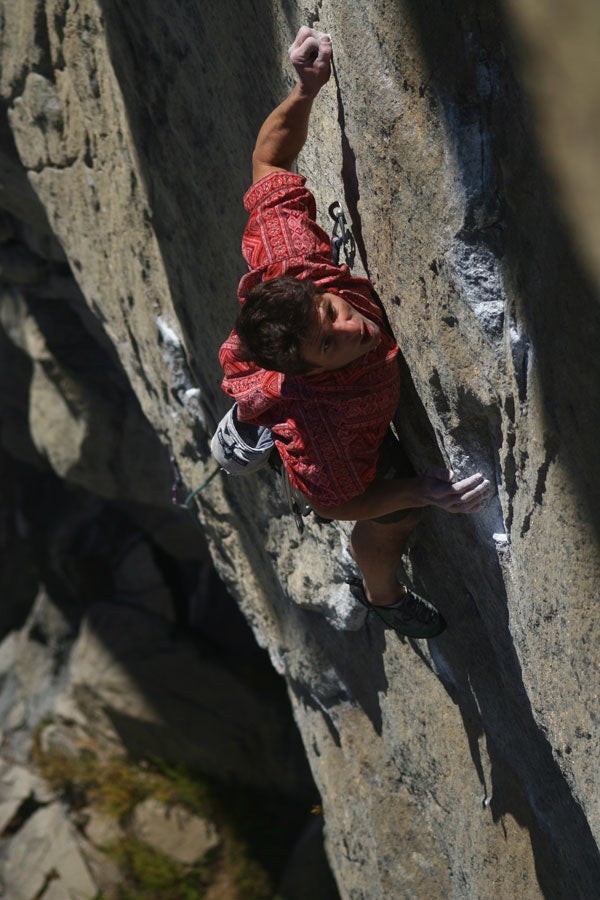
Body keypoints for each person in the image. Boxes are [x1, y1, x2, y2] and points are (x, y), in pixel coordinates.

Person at [219, 26, 491, 638]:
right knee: (395, 521)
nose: (352, 328)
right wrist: (421, 489)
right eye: (329, 345)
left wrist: (307, 87)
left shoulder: (294, 258)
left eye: (330, 313)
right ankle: (382, 598)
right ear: (312, 372)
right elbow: (335, 503)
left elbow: (269, 160)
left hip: (292, 372)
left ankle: (248, 418)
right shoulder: (324, 423)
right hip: (331, 425)